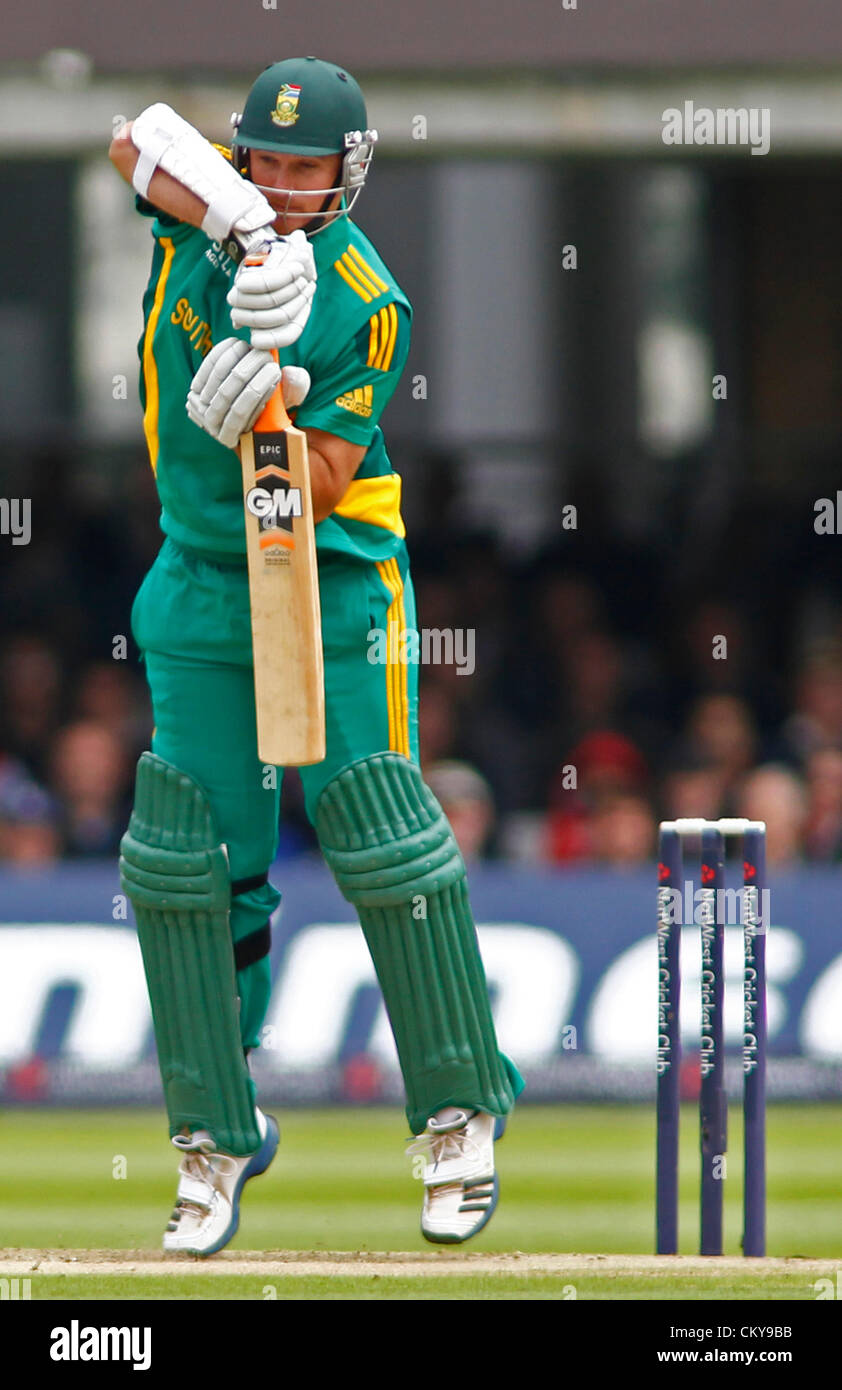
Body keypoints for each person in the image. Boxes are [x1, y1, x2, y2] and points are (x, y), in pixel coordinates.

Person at [109, 55, 522, 1256]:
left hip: (333, 579)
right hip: (195, 579)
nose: (282, 186)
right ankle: (213, 1135)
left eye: (303, 169)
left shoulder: (363, 296)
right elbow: (133, 138)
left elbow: (322, 486)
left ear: (348, 172)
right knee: (185, 855)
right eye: (264, 162)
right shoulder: (202, 209)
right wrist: (234, 220)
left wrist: (267, 410)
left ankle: (455, 1114)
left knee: (380, 832)